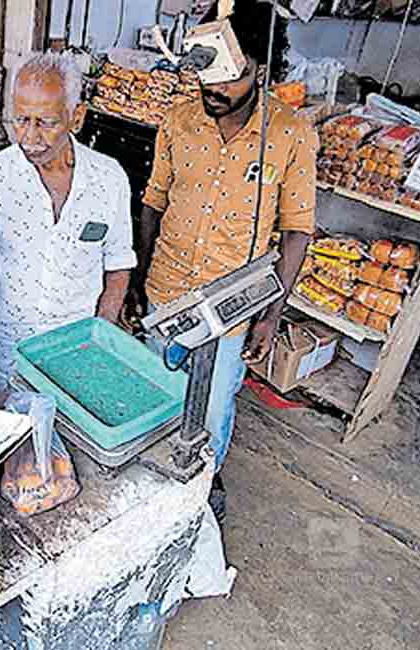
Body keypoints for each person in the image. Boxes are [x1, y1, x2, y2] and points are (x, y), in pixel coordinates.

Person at [132, 0, 317, 520]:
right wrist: (139, 280)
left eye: (228, 80)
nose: (213, 91)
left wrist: (271, 314)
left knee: (211, 413)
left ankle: (194, 503)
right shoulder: (178, 118)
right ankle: (147, 502)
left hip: (232, 308)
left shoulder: (291, 134)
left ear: (258, 67)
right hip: (166, 290)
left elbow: (297, 231)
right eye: (205, 80)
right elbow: (154, 202)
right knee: (155, 400)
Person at [0, 53, 134, 391]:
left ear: (76, 116)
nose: (29, 137)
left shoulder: (108, 178)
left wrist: (101, 334)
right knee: (20, 431)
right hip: (8, 344)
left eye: (45, 122)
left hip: (77, 344)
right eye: (20, 120)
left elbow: (118, 263)